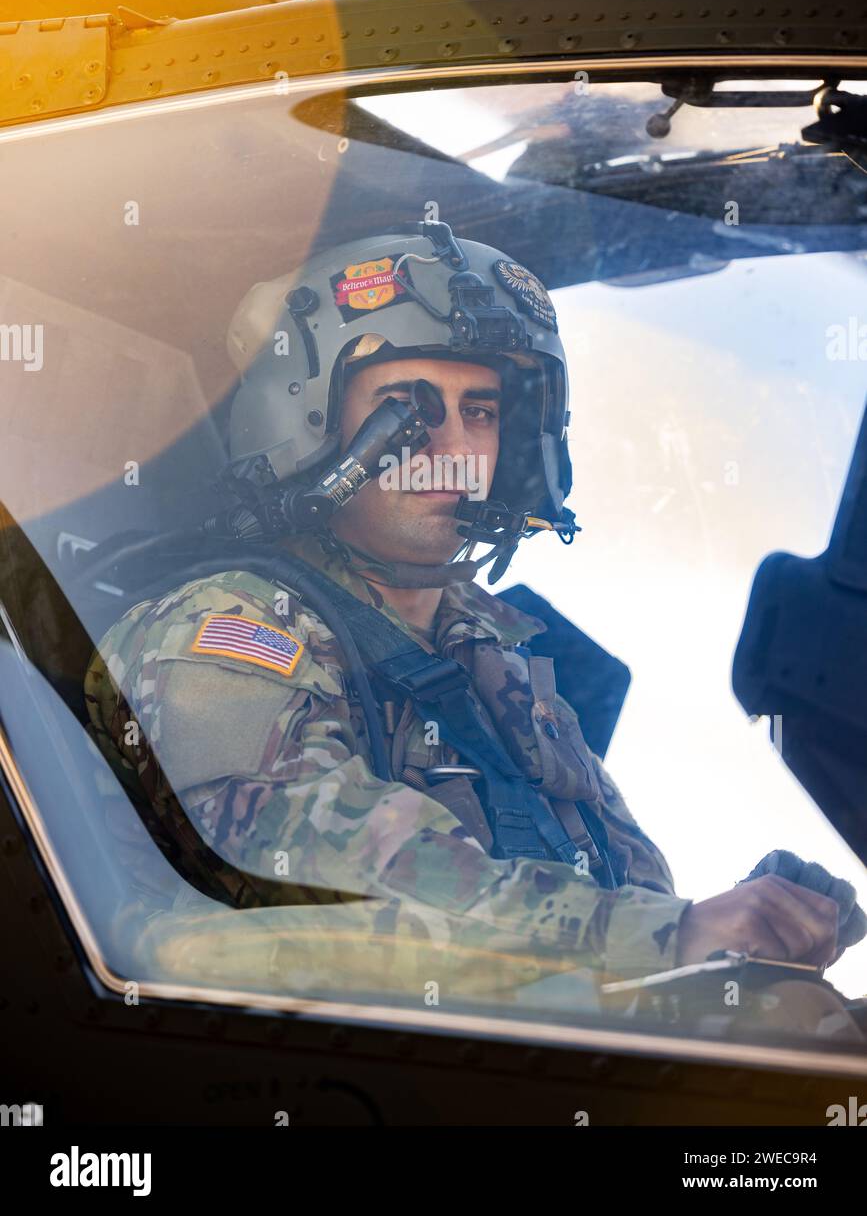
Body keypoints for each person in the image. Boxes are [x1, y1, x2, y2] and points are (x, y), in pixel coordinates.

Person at [83, 222, 863, 1012]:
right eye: (406, 408)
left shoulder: (488, 648)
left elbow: (617, 898)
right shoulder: (221, 631)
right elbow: (326, 888)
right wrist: (671, 936)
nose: (452, 444)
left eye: (481, 412)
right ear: (307, 422)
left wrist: (741, 924)